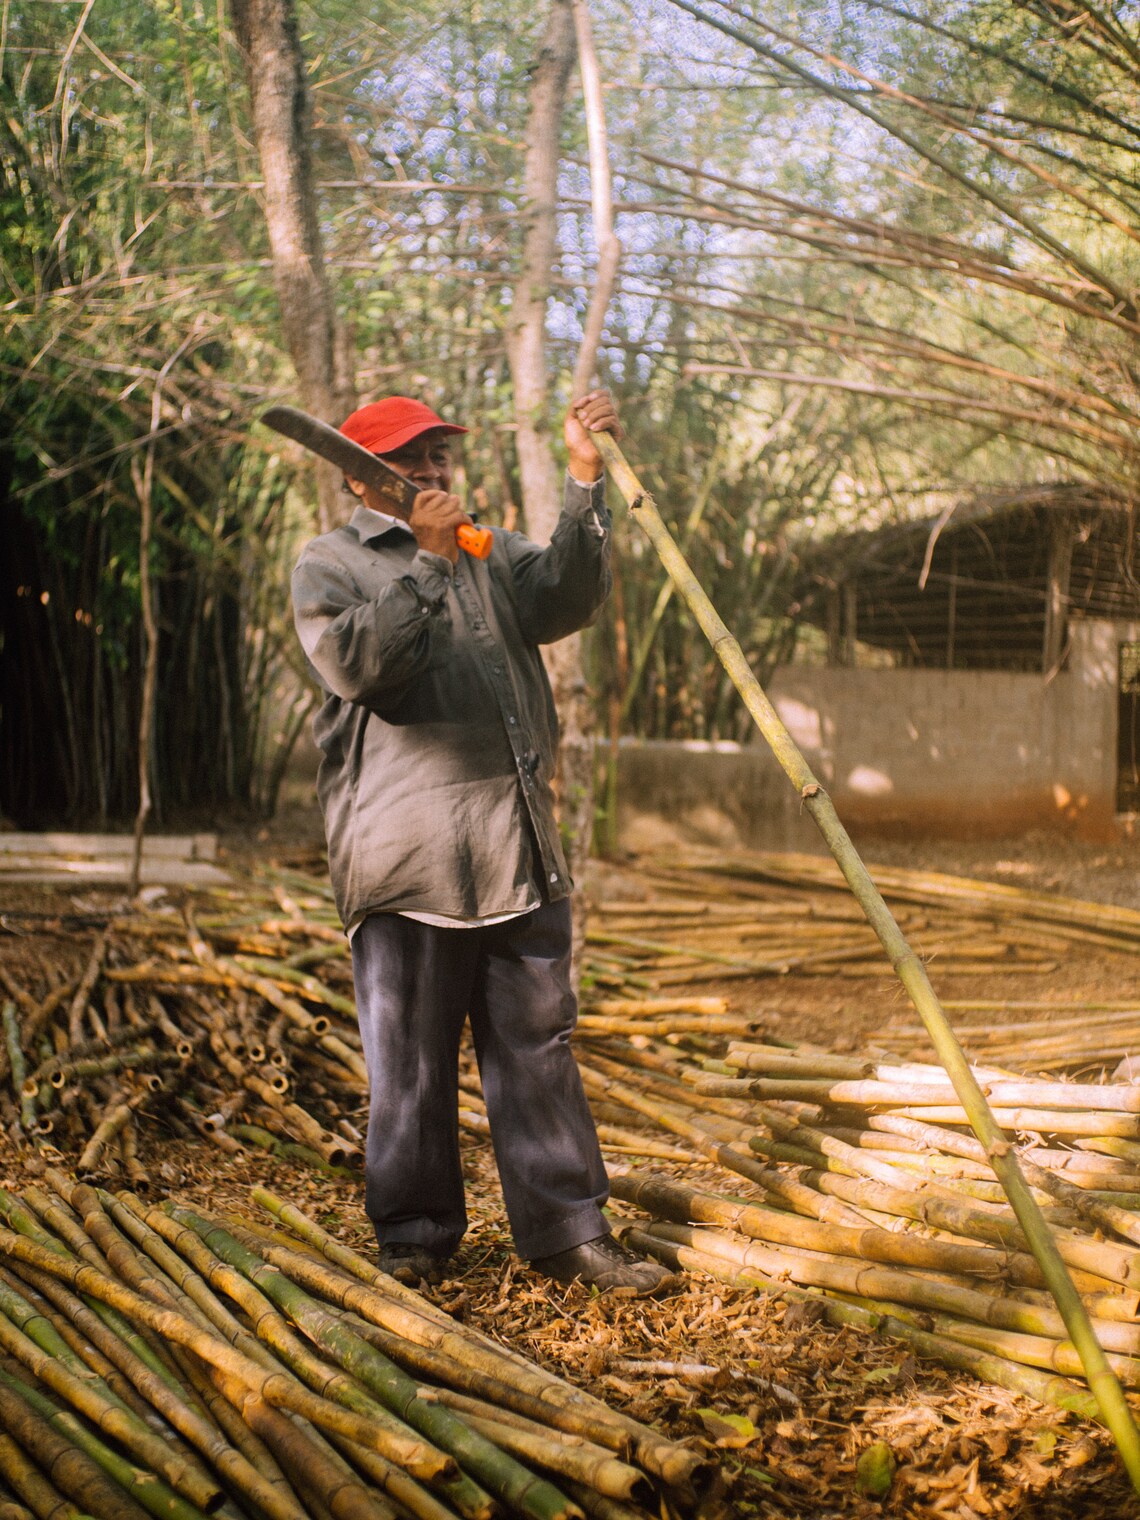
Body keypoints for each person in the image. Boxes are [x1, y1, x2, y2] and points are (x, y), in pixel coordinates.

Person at [291, 389, 672, 1295]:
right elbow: (362, 666)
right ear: (359, 477)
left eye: (438, 459)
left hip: (516, 843)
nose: (430, 474)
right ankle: (416, 1239)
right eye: (406, 462)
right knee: (411, 1063)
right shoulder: (330, 564)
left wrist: (584, 476)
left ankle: (567, 1233)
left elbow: (571, 592)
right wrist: (423, 563)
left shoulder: (489, 552)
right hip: (410, 857)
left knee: (538, 1048)